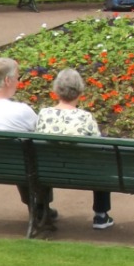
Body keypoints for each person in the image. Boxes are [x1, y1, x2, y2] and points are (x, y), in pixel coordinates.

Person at [0, 57, 53, 222]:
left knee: (21, 156)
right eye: (17, 78)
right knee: (33, 156)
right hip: (22, 167)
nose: (18, 83)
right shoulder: (21, 111)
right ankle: (41, 206)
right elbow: (41, 132)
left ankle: (36, 208)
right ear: (7, 80)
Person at [35, 68, 114, 230]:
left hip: (47, 171)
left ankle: (42, 208)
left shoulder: (44, 114)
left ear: (56, 90)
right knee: (103, 163)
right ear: (80, 91)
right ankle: (100, 215)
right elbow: (98, 147)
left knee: (44, 158)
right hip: (82, 173)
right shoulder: (85, 117)